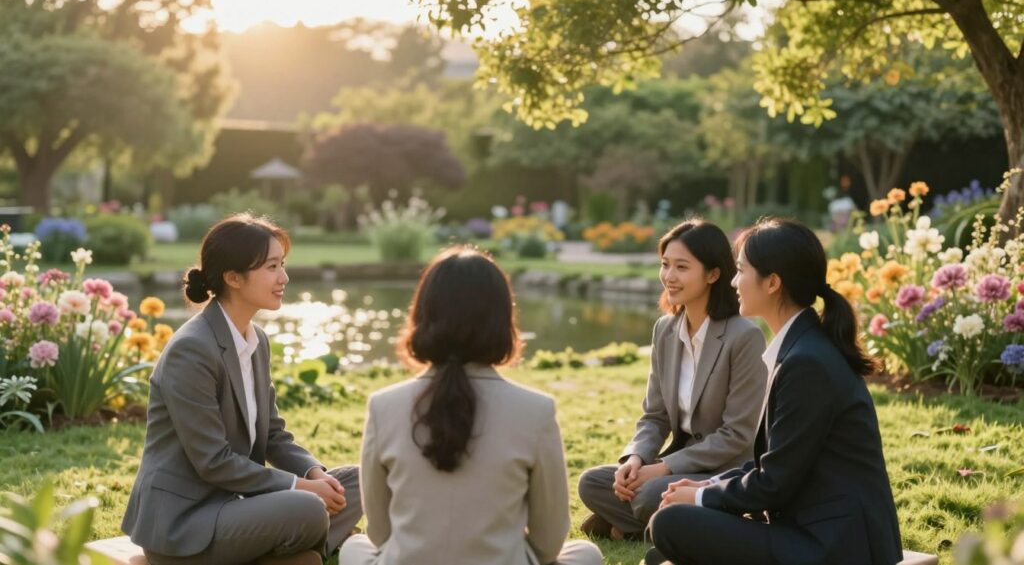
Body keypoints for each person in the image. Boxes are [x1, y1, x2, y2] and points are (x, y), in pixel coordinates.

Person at [647, 217, 902, 565]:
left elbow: (773, 483)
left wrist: (701, 498)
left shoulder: (807, 363)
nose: (734, 282)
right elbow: (775, 462)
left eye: (740, 271)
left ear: (772, 283)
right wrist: (704, 487)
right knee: (669, 531)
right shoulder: (802, 347)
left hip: (833, 546)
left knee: (670, 523)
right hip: (817, 530)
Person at [121, 214, 362, 565]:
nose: (284, 278)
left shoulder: (255, 340)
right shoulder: (192, 349)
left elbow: (274, 434)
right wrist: (300, 489)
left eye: (283, 265)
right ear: (233, 278)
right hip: (187, 522)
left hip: (239, 504)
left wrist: (313, 473)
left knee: (358, 481)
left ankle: (289, 552)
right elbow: (213, 461)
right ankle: (299, 550)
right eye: (272, 267)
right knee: (309, 508)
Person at [339, 246, 602, 565]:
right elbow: (549, 541)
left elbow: (381, 533)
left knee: (356, 547)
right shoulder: (536, 410)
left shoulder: (383, 406)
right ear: (503, 320)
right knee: (585, 553)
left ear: (422, 315)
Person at [578, 219, 766, 541]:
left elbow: (738, 434)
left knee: (652, 495)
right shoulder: (665, 330)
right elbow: (654, 415)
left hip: (725, 470)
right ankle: (650, 524)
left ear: (713, 274)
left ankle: (642, 523)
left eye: (682, 267)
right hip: (675, 465)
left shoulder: (744, 336)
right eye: (665, 265)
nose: (669, 276)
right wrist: (636, 459)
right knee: (592, 481)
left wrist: (663, 468)